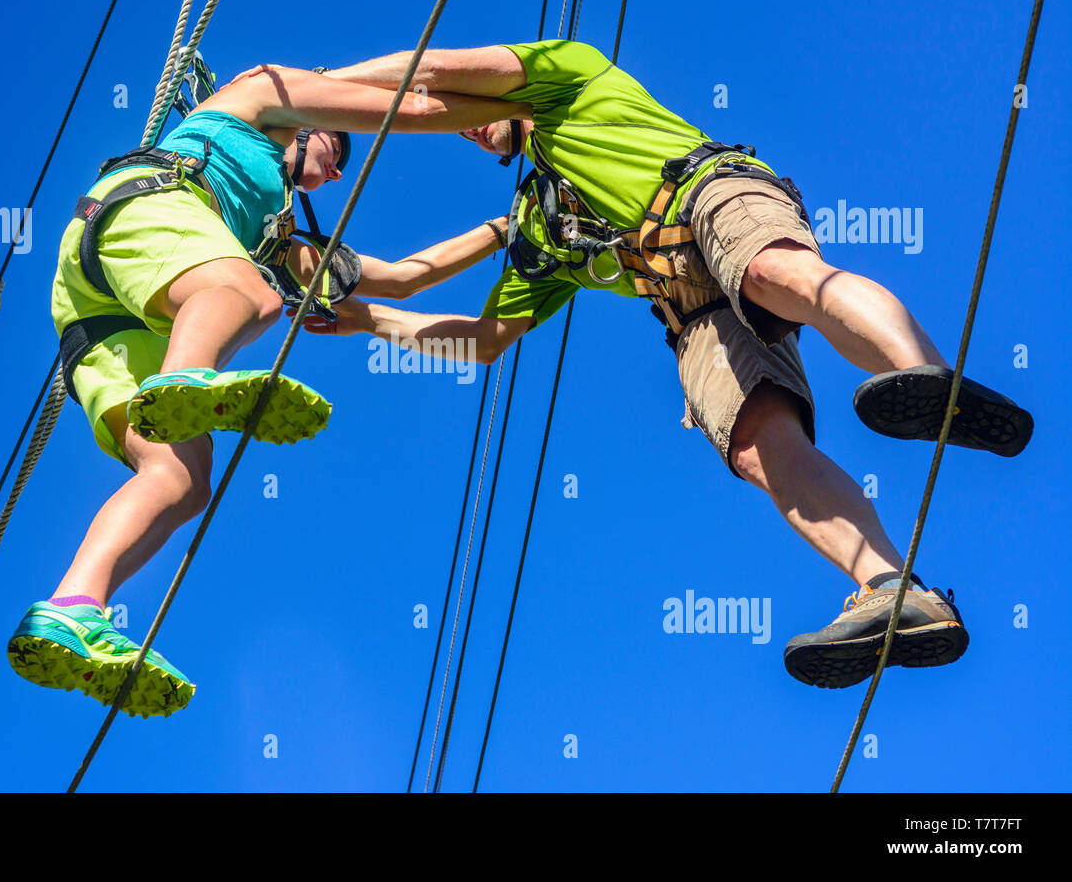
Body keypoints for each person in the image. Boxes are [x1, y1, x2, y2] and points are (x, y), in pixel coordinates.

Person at [288, 39, 1034, 689]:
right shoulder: (538, 228)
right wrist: (364, 320)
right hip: (690, 307)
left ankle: (931, 382)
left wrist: (311, 89)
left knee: (774, 273)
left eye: (475, 110)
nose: (475, 127)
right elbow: (479, 335)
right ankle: (892, 589)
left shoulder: (567, 77)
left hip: (709, 196)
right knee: (757, 447)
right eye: (466, 131)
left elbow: (440, 64)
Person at [6, 65, 529, 717]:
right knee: (251, 300)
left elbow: (401, 282)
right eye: (336, 150)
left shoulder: (275, 240)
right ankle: (181, 379)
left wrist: (506, 228)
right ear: (310, 125)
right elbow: (410, 109)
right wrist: (518, 117)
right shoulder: (259, 95)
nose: (337, 173)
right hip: (143, 209)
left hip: (101, 312)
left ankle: (72, 609)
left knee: (181, 480)